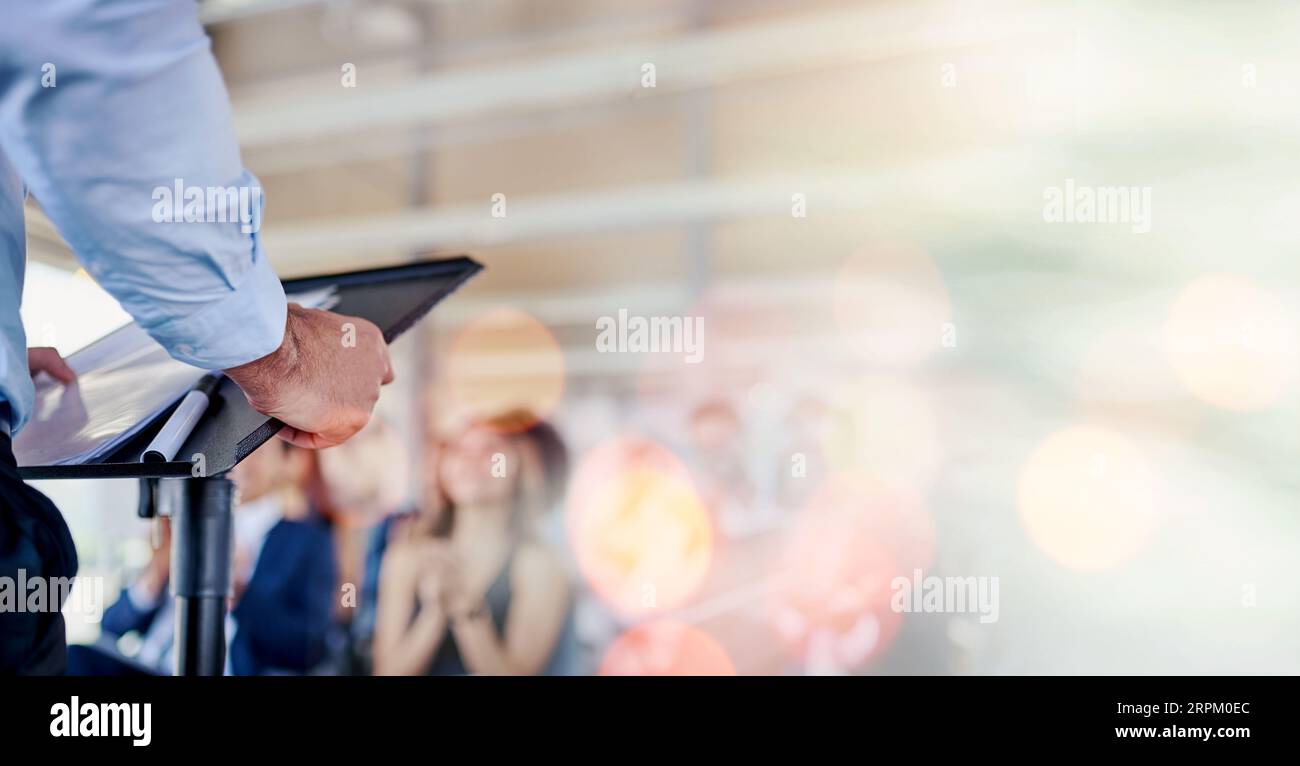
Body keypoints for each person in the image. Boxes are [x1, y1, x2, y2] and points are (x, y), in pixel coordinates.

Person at [0, 1, 394, 674]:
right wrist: (282, 353)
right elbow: (90, 49)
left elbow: (303, 642)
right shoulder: (172, 534)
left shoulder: (305, 540)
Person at [67, 440, 338, 675]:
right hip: (149, 664)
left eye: (256, 449)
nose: (239, 459)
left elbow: (309, 647)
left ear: (285, 461)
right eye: (232, 446)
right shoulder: (180, 524)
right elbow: (111, 625)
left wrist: (238, 592)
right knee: (73, 655)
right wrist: (155, 573)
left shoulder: (307, 541)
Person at [371, 411, 577, 675]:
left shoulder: (542, 567)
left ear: (521, 465)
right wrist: (434, 613)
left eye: (491, 449)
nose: (471, 460)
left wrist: (465, 608)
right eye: (459, 450)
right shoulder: (406, 556)